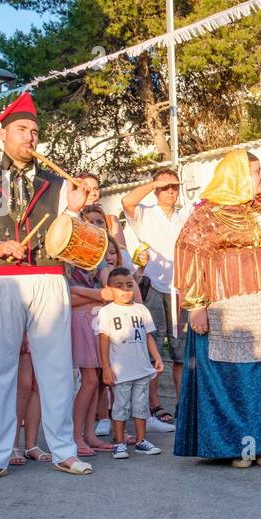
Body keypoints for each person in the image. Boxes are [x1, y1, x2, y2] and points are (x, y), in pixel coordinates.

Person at [0, 92, 98, 482]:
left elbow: (69, 236)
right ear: (4, 134)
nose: (30, 137)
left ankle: (63, 450)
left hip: (48, 277)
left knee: (57, 366)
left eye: (34, 131)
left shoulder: (57, 183)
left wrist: (76, 208)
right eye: (22, 129)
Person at [173, 149, 261, 467]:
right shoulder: (207, 214)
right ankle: (240, 447)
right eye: (256, 171)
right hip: (230, 308)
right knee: (238, 378)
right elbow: (189, 254)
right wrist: (196, 306)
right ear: (236, 175)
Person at [120, 166, 190, 428]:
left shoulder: (186, 214)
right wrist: (155, 183)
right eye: (165, 187)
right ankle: (154, 406)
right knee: (152, 350)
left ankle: (183, 405)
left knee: (182, 351)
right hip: (152, 286)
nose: (171, 191)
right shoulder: (145, 214)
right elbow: (126, 201)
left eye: (174, 186)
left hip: (181, 288)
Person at [96, 267, 164, 459]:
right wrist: (106, 368)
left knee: (141, 406)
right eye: (119, 286)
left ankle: (141, 440)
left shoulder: (141, 309)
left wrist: (157, 357)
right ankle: (119, 442)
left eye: (129, 285)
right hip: (121, 371)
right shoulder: (106, 312)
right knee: (121, 407)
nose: (126, 290)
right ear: (109, 289)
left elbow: (148, 336)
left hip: (141, 368)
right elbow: (103, 341)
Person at [68, 202, 115, 457]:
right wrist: (96, 294)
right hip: (79, 321)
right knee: (87, 380)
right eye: (90, 222)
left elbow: (111, 293)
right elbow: (66, 297)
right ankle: (75, 435)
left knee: (97, 381)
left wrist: (90, 294)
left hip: (98, 320)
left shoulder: (99, 259)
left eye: (100, 223)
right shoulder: (69, 257)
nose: (96, 227)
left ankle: (89, 433)